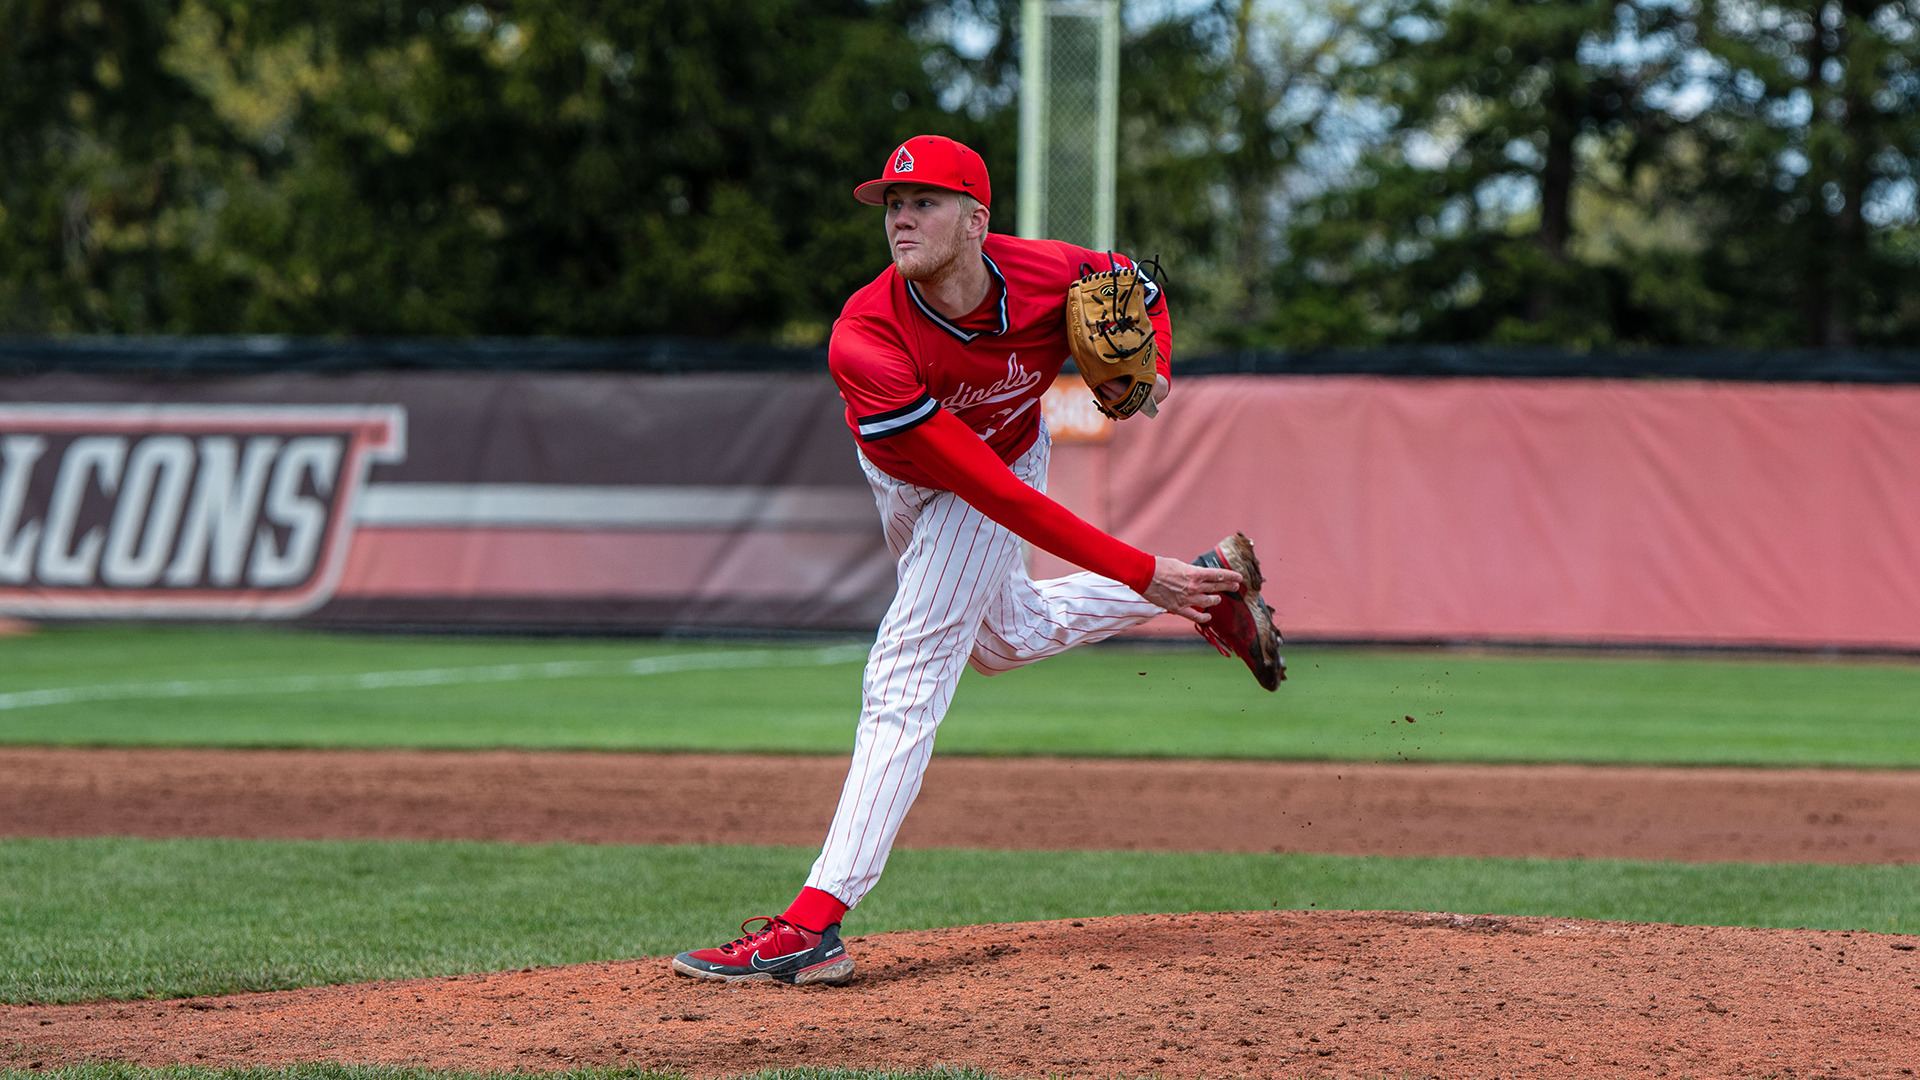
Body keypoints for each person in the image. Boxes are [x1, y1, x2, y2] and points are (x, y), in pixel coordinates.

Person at [670, 135, 1282, 986]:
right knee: (1000, 639)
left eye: (923, 202)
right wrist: (1148, 574)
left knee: (907, 668)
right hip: (916, 478)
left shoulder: (1046, 273)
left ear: (975, 220)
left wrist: (1159, 371)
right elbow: (989, 494)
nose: (902, 218)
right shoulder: (865, 335)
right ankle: (1210, 586)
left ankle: (814, 925)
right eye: (893, 204)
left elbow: (1137, 286)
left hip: (1008, 456)